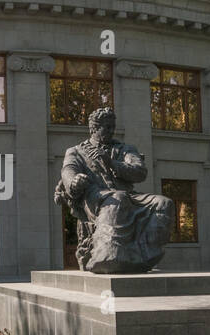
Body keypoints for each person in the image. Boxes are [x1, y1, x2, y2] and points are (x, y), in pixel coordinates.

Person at [54, 107, 174, 273]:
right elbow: (68, 171)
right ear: (94, 128)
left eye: (113, 126)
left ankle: (144, 254)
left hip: (129, 196)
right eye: (107, 127)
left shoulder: (125, 149)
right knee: (117, 199)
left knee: (163, 203)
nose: (112, 131)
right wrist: (74, 182)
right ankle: (105, 256)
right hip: (96, 197)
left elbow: (140, 172)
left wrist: (111, 162)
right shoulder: (76, 152)